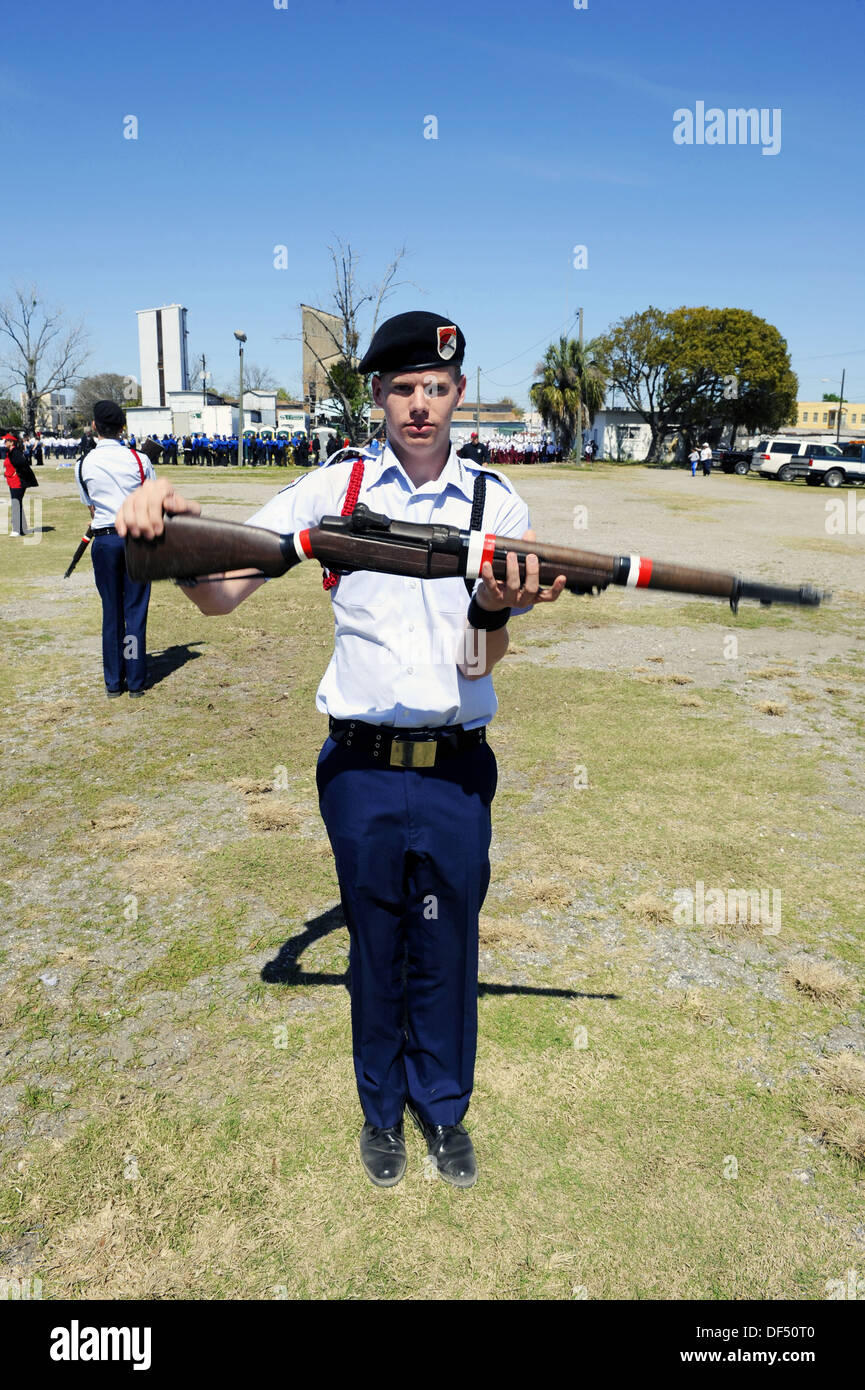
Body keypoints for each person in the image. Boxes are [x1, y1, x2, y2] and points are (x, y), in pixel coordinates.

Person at [116, 309, 567, 1189]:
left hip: (455, 769)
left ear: (458, 394)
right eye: (402, 389)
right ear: (378, 396)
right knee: (373, 945)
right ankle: (379, 1113)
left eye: (435, 388)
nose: (420, 406)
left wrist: (491, 610)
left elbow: (483, 657)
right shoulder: (337, 489)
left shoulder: (494, 502)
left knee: (447, 949)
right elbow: (218, 598)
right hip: (358, 768)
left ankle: (440, 1111)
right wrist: (160, 522)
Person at [76, 400, 155, 698]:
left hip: (105, 539)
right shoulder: (140, 460)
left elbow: (93, 509)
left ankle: (113, 682)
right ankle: (135, 679)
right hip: (136, 538)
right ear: (123, 427)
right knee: (134, 611)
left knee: (111, 611)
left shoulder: (82, 464)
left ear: (95, 426)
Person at [4, 432, 38, 536]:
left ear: (11, 442)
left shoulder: (15, 452)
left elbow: (22, 463)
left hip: (17, 481)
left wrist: (16, 472)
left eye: (6, 441)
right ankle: (21, 528)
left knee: (16, 503)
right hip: (11, 481)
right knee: (17, 503)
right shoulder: (10, 452)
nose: (4, 442)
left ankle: (17, 529)